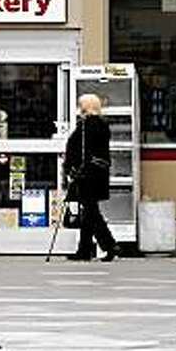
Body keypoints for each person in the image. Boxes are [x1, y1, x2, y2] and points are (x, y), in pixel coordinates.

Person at [63, 93, 117, 263]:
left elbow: (80, 150)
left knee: (91, 213)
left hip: (86, 174)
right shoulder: (101, 125)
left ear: (86, 107)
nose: (79, 109)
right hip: (97, 174)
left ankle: (109, 245)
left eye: (81, 105)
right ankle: (85, 250)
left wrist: (71, 169)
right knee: (89, 212)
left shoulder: (87, 125)